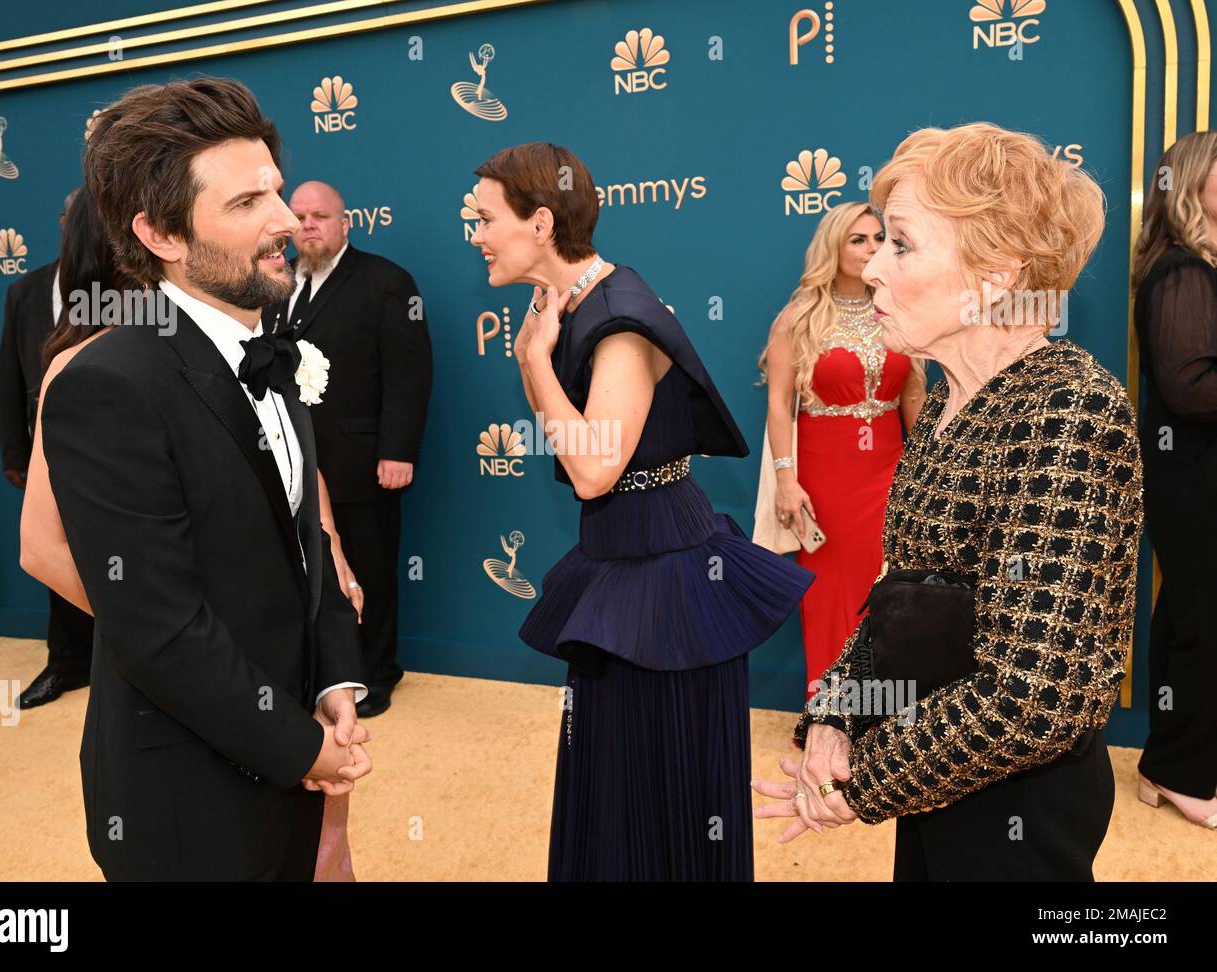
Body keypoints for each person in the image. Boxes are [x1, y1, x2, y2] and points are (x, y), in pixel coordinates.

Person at [756, 122, 1145, 880]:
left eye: (900, 244)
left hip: (1016, 812)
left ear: (993, 276)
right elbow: (906, 602)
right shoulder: (944, 400)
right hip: (936, 778)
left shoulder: (1068, 409)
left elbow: (1032, 698)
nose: (872, 270)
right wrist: (836, 712)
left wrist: (862, 787)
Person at [41, 77, 371, 880]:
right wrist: (303, 750)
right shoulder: (111, 383)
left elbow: (304, 538)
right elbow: (159, 627)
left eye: (279, 192)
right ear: (160, 234)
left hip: (288, 753)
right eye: (246, 203)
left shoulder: (270, 348)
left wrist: (333, 678)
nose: (286, 221)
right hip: (188, 792)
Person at [472, 142, 815, 880]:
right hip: (617, 554)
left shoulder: (621, 319)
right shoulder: (560, 305)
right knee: (613, 768)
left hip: (664, 566)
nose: (474, 235)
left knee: (663, 774)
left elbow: (592, 470)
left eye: (484, 218)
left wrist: (534, 362)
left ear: (538, 223)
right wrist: (535, 349)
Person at [265, 179, 432, 718]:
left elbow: (410, 374)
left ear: (345, 223)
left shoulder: (387, 283)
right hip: (290, 462)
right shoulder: (273, 283)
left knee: (371, 572)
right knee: (303, 573)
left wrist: (398, 451)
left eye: (320, 216)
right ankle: (323, 673)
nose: (308, 225)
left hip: (363, 465)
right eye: (300, 216)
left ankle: (378, 673)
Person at [755, 201, 925, 694]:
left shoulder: (898, 307)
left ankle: (881, 719)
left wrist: (925, 469)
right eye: (858, 239)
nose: (871, 248)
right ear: (834, 245)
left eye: (880, 239)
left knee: (889, 589)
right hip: (825, 480)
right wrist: (787, 479)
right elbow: (778, 403)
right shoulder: (800, 316)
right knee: (829, 596)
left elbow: (912, 395)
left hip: (890, 471)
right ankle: (830, 715)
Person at [1131, 130, 1217, 830]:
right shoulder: (1181, 271)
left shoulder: (1201, 267)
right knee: (1205, 620)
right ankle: (1182, 770)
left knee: (1187, 613)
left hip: (1197, 471)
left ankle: (1167, 760)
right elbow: (1191, 388)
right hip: (1193, 474)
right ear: (1190, 184)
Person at [0, 186, 95, 709]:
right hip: (45, 452)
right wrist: (15, 450)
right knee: (54, 553)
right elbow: (10, 374)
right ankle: (66, 663)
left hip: (107, 451)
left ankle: (118, 657)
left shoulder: (132, 295)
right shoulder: (25, 291)